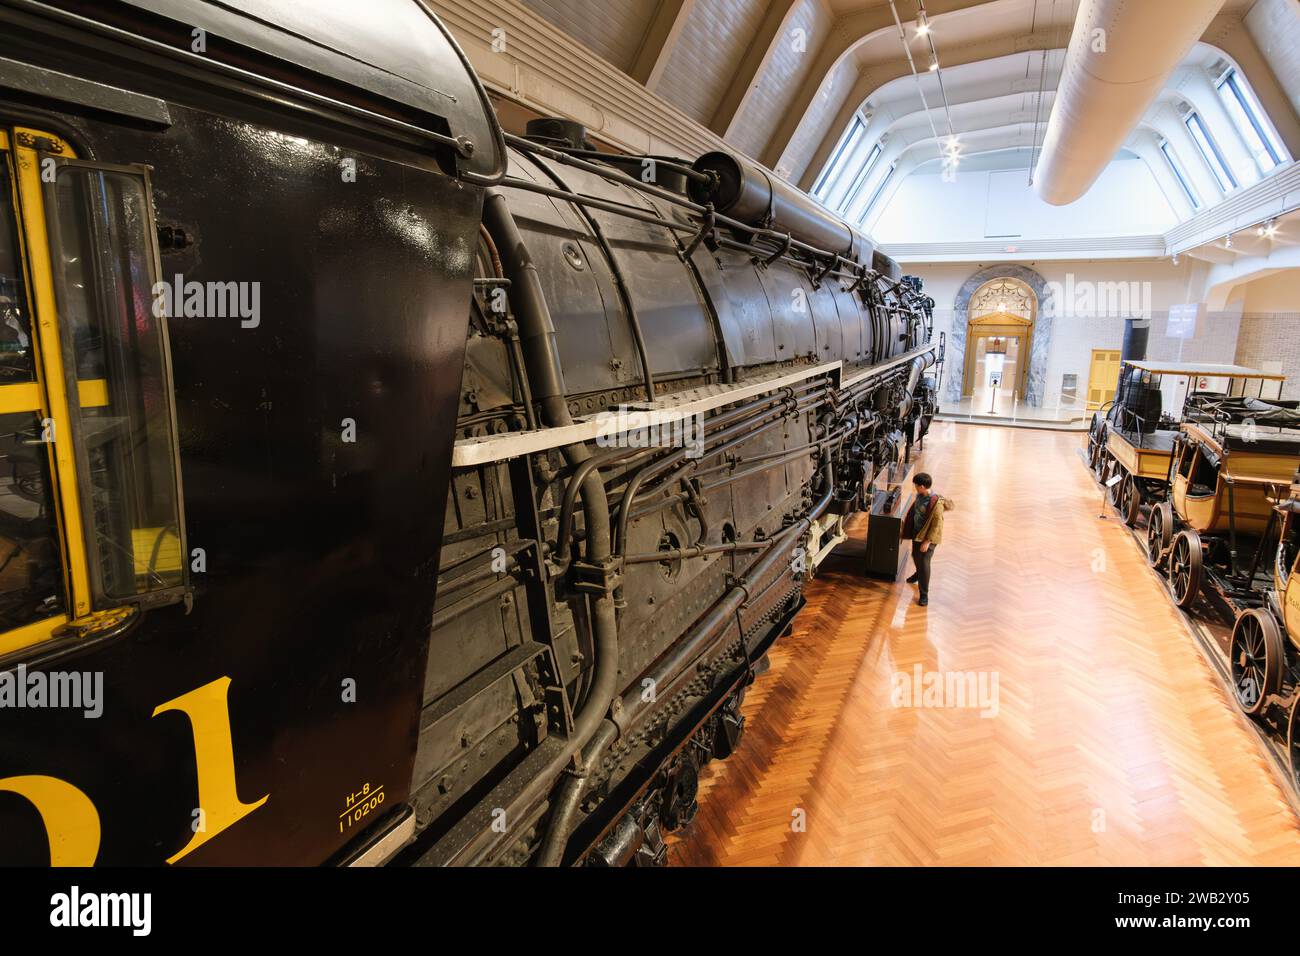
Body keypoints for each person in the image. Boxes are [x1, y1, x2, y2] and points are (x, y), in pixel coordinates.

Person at [900, 472, 954, 606]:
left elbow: (937, 526)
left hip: (927, 538)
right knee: (915, 555)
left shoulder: (936, 503)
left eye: (916, 486)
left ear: (923, 486)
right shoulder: (920, 495)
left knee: (924, 563)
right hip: (917, 534)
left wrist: (927, 542)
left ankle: (924, 594)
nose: (915, 488)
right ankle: (918, 574)